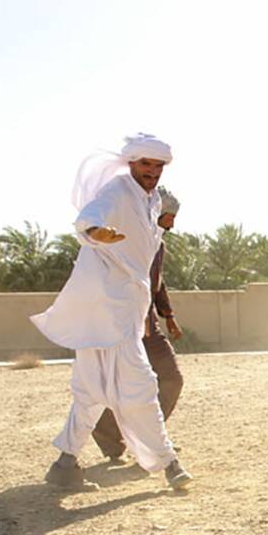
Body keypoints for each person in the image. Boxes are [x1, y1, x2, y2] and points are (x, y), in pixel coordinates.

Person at [33, 134, 191, 490]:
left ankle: (65, 464)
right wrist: (95, 231)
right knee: (141, 383)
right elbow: (91, 215)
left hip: (124, 309)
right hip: (108, 306)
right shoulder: (118, 190)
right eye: (146, 164)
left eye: (158, 166)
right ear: (131, 163)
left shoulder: (150, 202)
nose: (152, 172)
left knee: (91, 390)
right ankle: (169, 463)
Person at [91, 188, 186, 462]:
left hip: (149, 326)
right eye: (169, 216)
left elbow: (157, 282)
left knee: (171, 379)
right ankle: (109, 436)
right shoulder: (122, 241)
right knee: (123, 386)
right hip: (121, 324)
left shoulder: (159, 245)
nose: (172, 223)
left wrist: (168, 316)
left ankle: (150, 439)